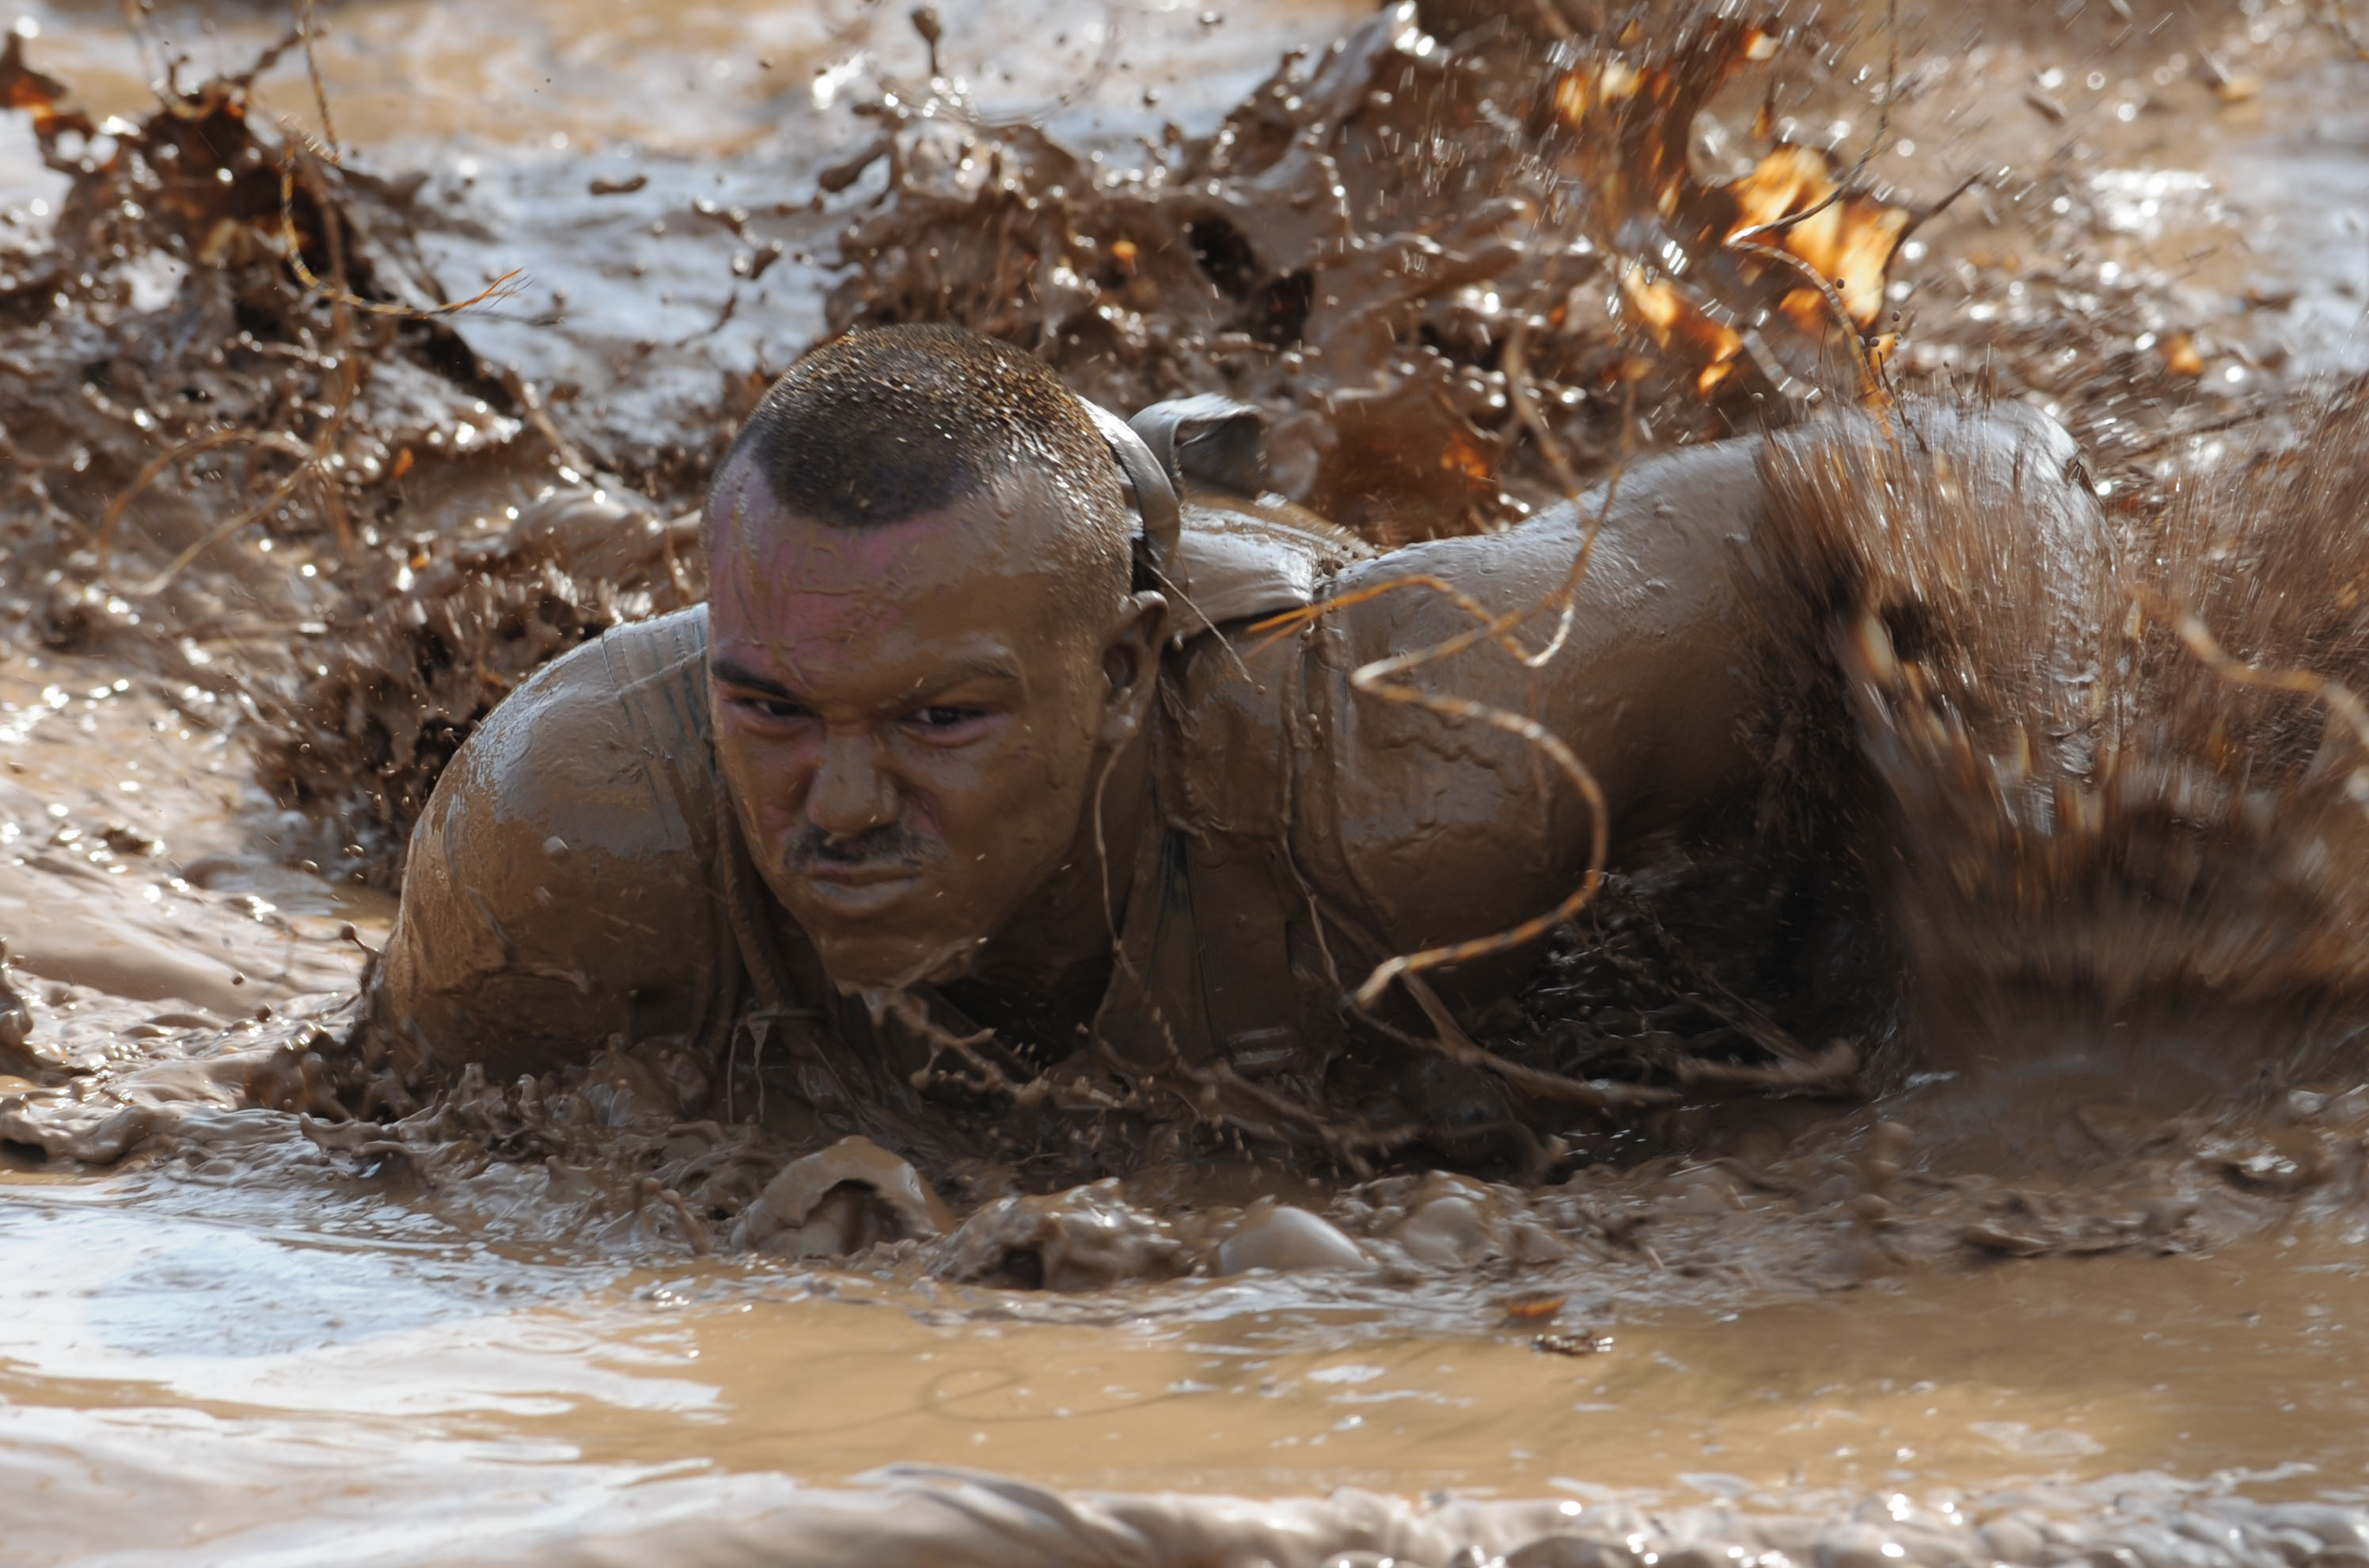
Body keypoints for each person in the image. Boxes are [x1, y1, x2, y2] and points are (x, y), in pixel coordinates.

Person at [371, 323, 2090, 1123]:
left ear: (1122, 676)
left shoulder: (1423, 757)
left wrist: (2014, 960)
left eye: (937, 719)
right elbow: (371, 1146)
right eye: (771, 708)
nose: (840, 802)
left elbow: (1971, 481)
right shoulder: (567, 842)